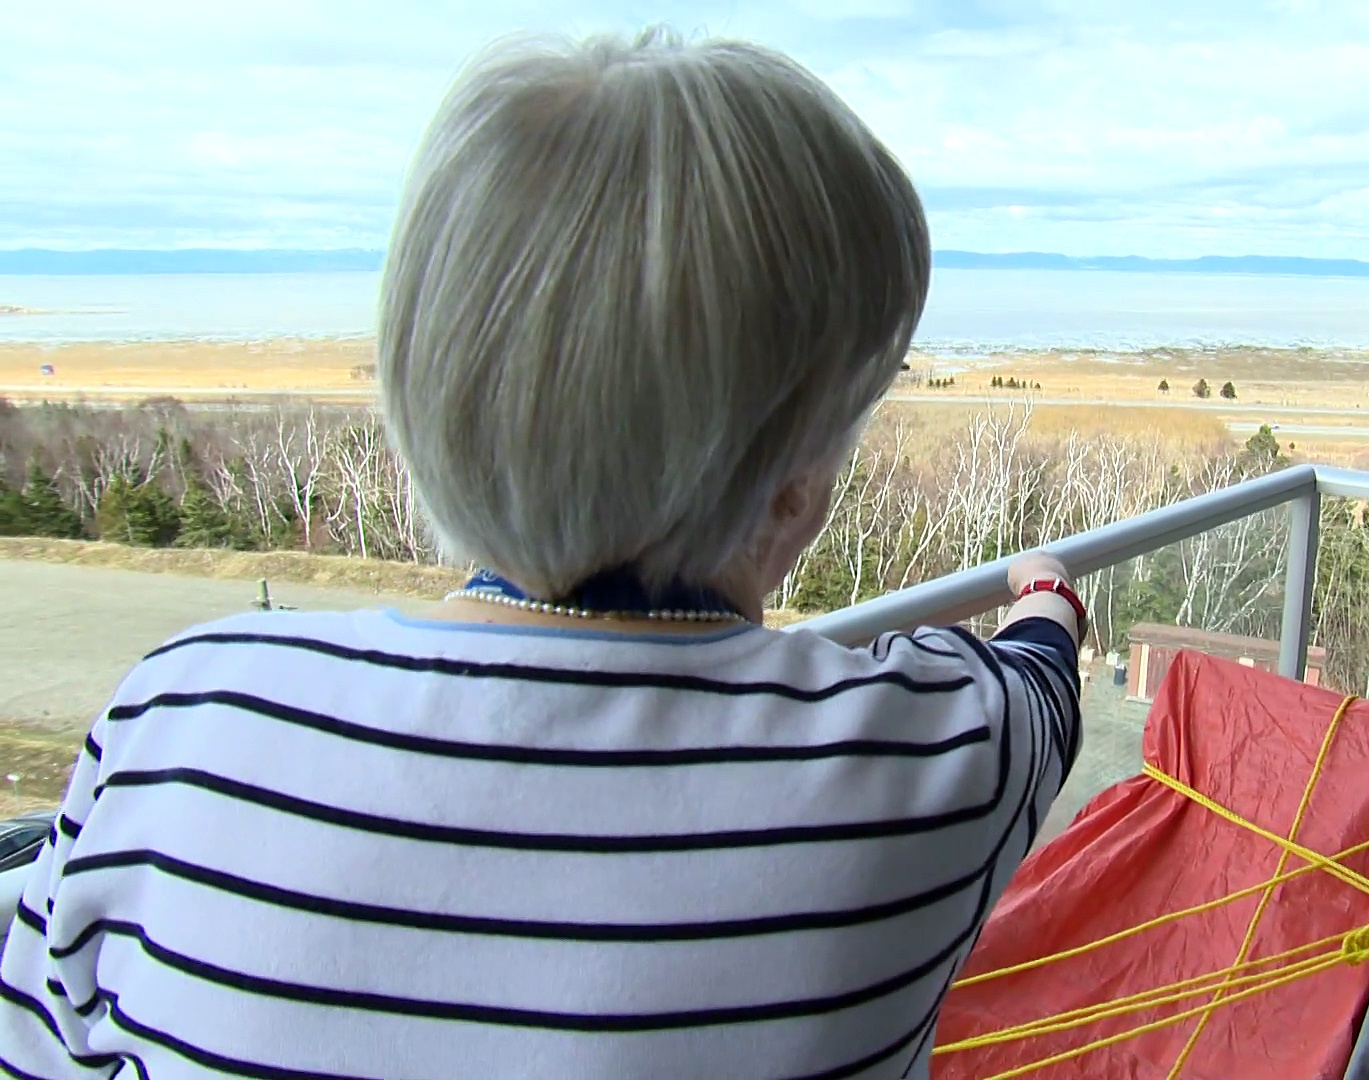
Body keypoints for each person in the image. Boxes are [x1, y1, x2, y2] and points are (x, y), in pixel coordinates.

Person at [0, 30, 1082, 1080]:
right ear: (797, 485)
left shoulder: (184, 717)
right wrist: (1045, 598)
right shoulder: (932, 756)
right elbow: (1040, 682)